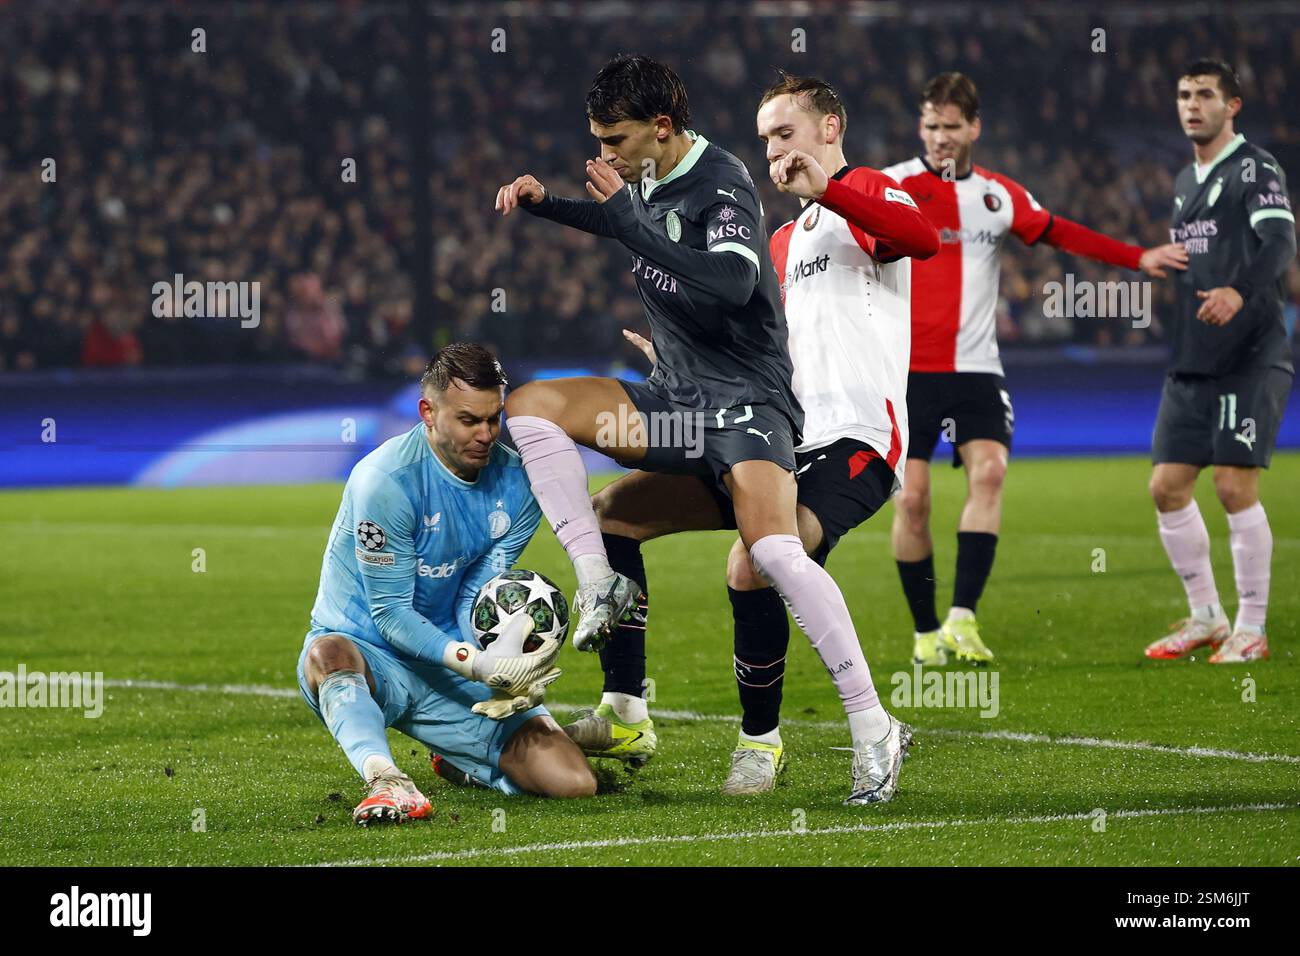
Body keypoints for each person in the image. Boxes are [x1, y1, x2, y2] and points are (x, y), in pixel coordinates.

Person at [496, 54, 910, 805]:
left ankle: (866, 727)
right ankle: (621, 689)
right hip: (692, 405)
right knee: (558, 441)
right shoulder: (689, 195)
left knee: (767, 557)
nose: (605, 155)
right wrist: (548, 204)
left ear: (660, 127)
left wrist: (629, 222)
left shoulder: (731, 183)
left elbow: (731, 281)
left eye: (614, 138)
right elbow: (667, 252)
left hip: (772, 417)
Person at [881, 72, 1189, 666]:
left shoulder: (998, 198)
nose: (940, 138)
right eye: (930, 126)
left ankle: (962, 620)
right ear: (920, 127)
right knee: (912, 502)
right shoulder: (892, 187)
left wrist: (1135, 257)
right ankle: (924, 633)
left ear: (974, 127)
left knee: (989, 474)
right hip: (907, 372)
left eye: (951, 127)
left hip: (977, 368)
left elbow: (1062, 234)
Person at [295, 343, 596, 826]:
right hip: (368, 650)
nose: (486, 435)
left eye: (494, 419)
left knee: (573, 782)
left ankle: (461, 761)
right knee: (326, 654)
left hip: (445, 659)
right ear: (428, 413)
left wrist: (507, 660)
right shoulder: (384, 481)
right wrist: (478, 663)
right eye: (468, 420)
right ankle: (387, 780)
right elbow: (390, 615)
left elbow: (478, 593)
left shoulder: (518, 485)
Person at [1143, 59, 1294, 664]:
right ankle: (1207, 616)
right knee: (1167, 486)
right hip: (1193, 358)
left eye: (1205, 94)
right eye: (1183, 95)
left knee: (1233, 487)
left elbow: (1281, 241)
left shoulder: (1256, 167)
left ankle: (1251, 627)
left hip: (1250, 354)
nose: (1191, 105)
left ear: (1233, 105)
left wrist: (1238, 291)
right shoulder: (1184, 180)